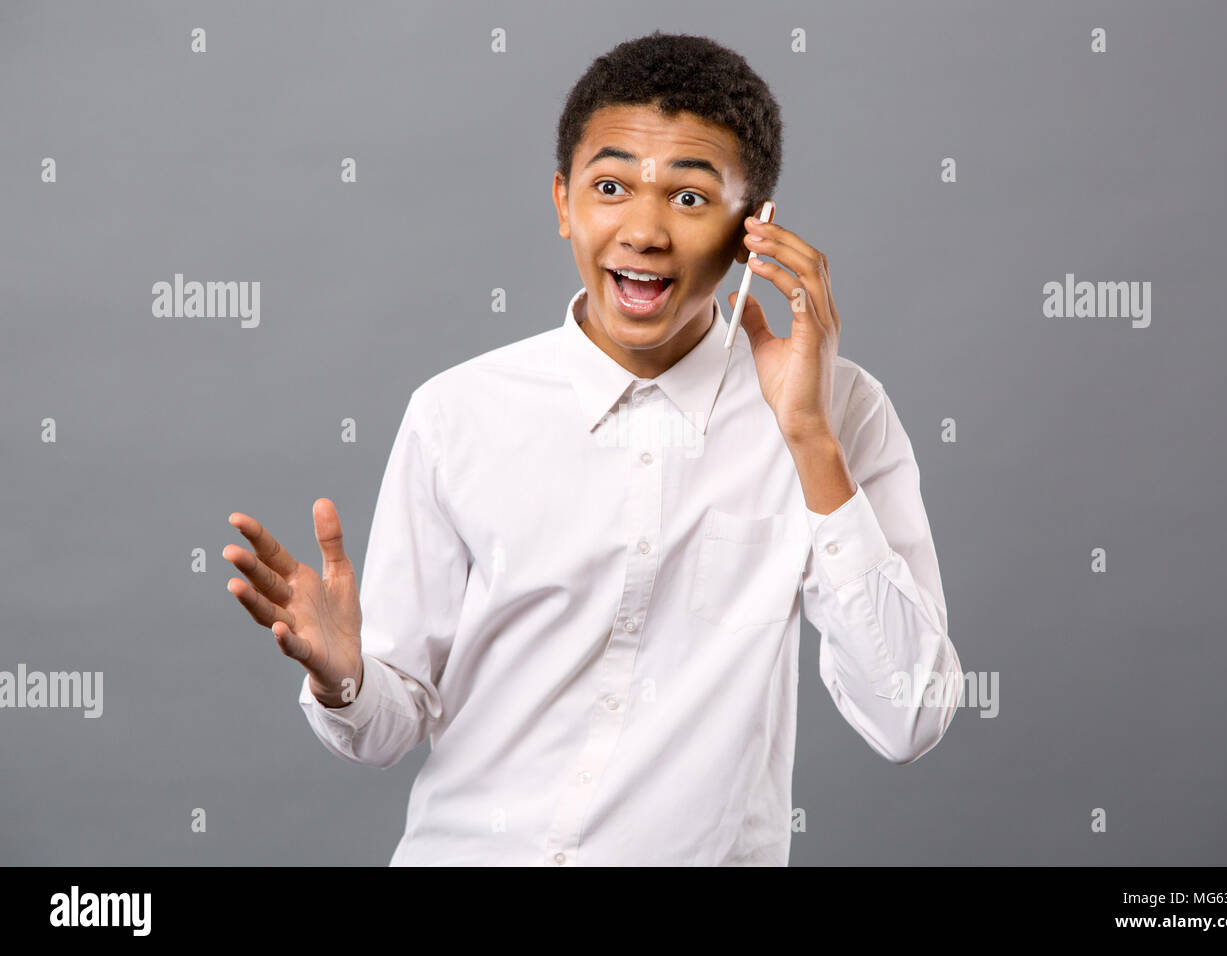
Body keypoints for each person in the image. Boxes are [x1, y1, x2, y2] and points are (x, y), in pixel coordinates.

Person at [223, 31, 962, 866]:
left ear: (753, 229)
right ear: (563, 202)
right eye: (610, 186)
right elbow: (386, 731)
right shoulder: (456, 413)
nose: (644, 230)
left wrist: (808, 440)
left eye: (689, 198)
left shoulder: (841, 412)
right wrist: (344, 677)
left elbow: (910, 717)